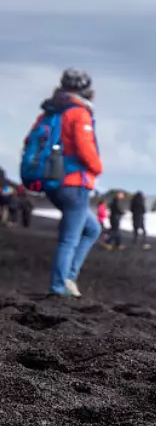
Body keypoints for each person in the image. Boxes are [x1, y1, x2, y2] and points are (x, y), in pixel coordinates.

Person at [19, 68, 104, 298]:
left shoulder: (49, 112)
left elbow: (29, 142)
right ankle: (59, 287)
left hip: (51, 181)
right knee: (69, 238)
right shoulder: (79, 113)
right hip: (75, 183)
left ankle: (67, 278)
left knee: (92, 228)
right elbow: (85, 149)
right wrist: (98, 168)